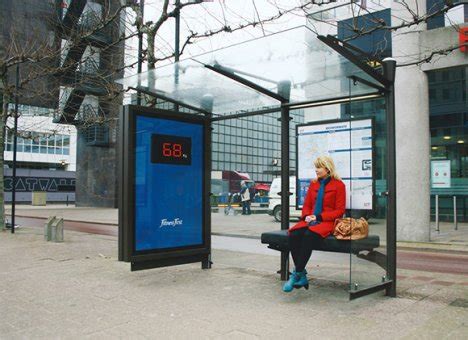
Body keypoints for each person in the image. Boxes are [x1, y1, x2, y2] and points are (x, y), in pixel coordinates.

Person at [283, 155, 346, 292]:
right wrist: (306, 216)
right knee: (294, 234)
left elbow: (339, 211)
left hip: (326, 222)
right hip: (310, 220)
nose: (316, 170)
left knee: (308, 235)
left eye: (319, 167)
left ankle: (296, 274)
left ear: (327, 169)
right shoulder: (314, 184)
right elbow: (307, 205)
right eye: (315, 167)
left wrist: (318, 216)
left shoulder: (339, 185)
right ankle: (302, 274)